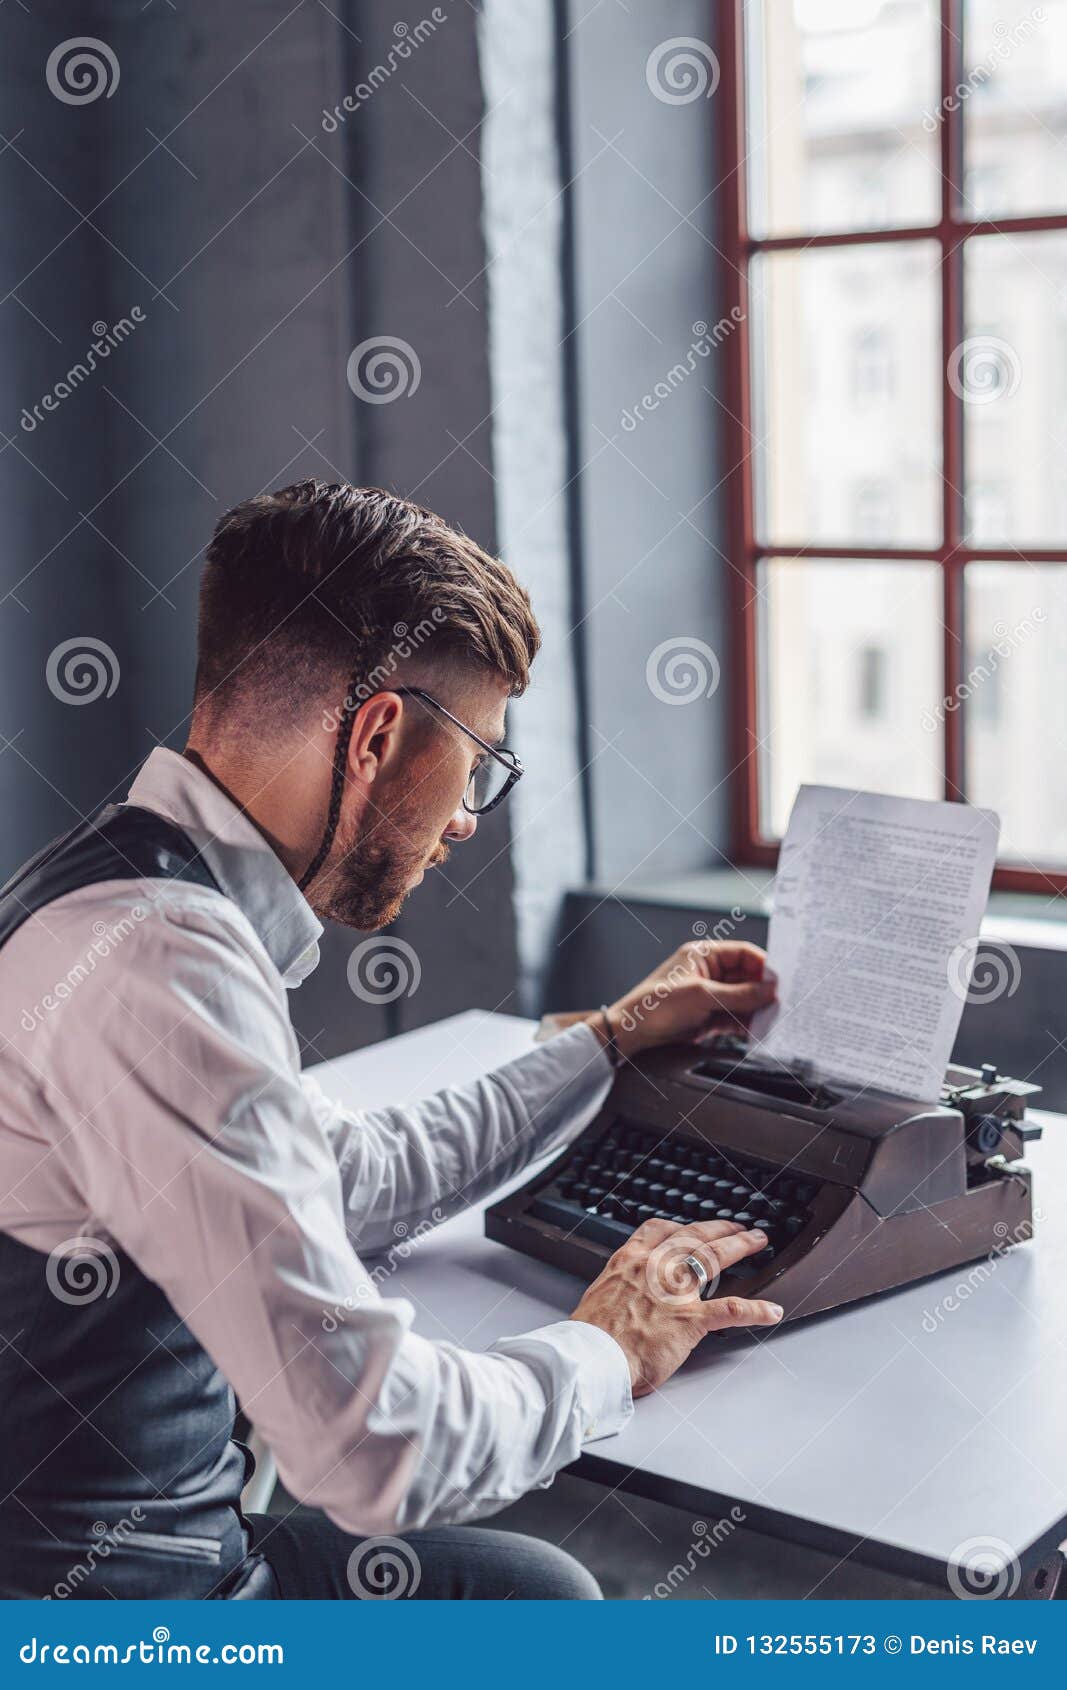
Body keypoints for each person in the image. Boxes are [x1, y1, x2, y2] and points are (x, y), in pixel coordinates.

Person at [0, 481, 780, 1601]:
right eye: (479, 767)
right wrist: (610, 1347)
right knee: (548, 1606)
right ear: (376, 734)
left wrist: (607, 1041)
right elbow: (376, 1448)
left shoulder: (127, 884)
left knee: (539, 1590)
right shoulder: (160, 966)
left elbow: (351, 1171)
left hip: (161, 1553)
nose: (466, 818)